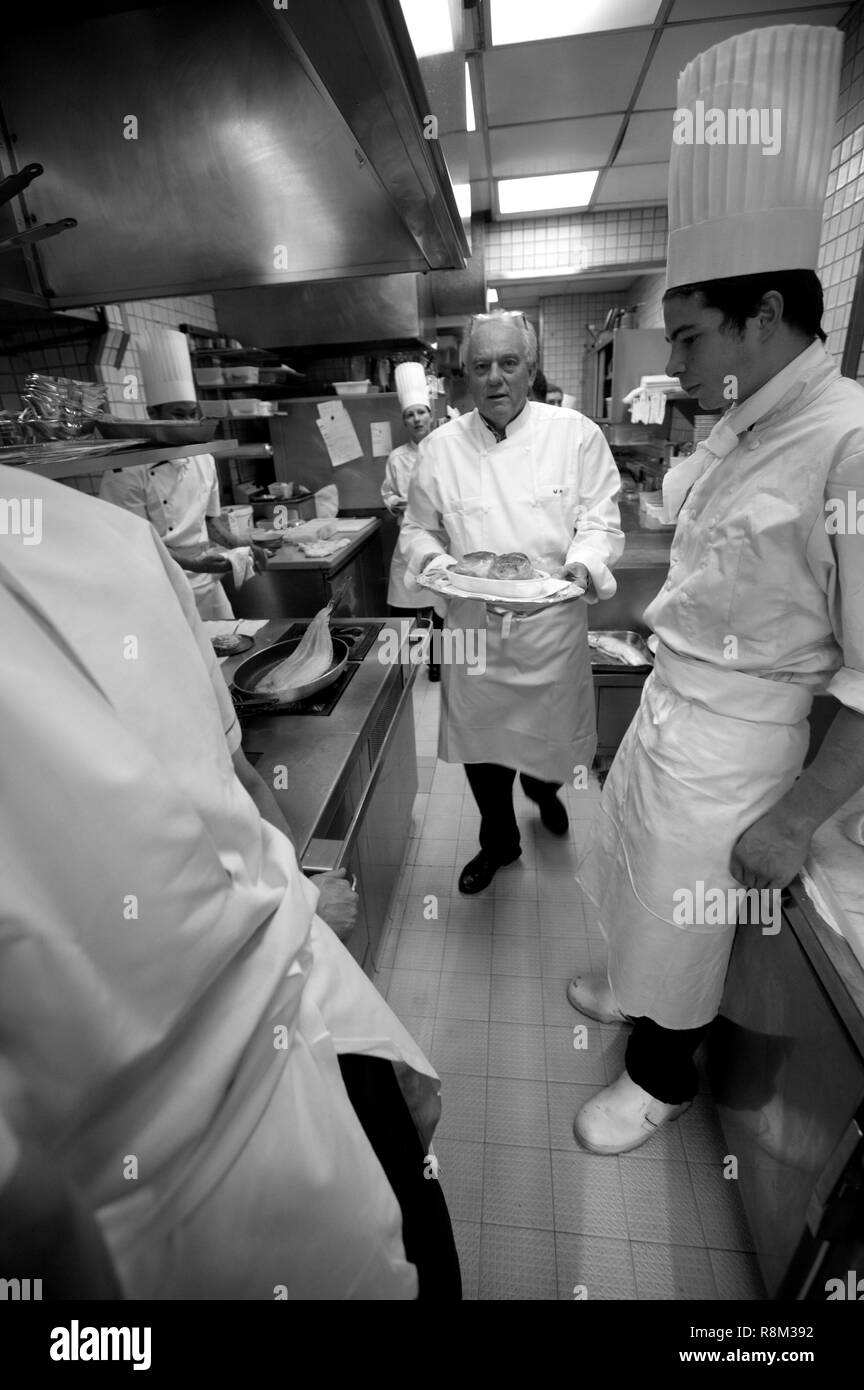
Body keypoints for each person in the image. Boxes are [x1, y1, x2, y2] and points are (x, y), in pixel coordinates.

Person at [0, 460, 461, 1299]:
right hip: (309, 1073)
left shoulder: (102, 533)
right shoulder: (95, 530)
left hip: (170, 1229)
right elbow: (238, 773)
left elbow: (30, 1221)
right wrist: (307, 895)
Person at [570, 24, 864, 1156]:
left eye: (690, 339)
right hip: (673, 708)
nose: (675, 365)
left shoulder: (845, 444)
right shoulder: (747, 429)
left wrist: (796, 815)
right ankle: (633, 994)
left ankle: (662, 1075)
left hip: (744, 738)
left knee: (689, 916)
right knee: (636, 870)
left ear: (764, 318)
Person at [400, 311, 623, 895]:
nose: (495, 378)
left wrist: (582, 564)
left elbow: (600, 521)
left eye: (509, 364)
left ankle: (545, 789)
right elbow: (417, 530)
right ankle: (498, 840)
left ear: (531, 370)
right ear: (464, 377)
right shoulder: (440, 449)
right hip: (474, 628)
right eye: (481, 366)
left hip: (551, 624)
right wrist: (439, 566)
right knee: (482, 745)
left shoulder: (575, 435)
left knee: (549, 739)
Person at [99, 328, 268, 620]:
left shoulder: (203, 456)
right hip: (160, 589)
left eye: (192, 413)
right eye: (178, 414)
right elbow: (135, 545)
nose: (188, 423)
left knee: (228, 647)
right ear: (153, 412)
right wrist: (198, 564)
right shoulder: (125, 470)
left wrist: (241, 544)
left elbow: (211, 521)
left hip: (208, 586)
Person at [381, 362, 443, 682]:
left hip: (440, 541)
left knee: (439, 608)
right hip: (407, 541)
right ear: (404, 420)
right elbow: (388, 494)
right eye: (410, 414)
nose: (416, 419)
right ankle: (402, 666)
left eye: (421, 412)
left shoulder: (445, 450)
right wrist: (394, 504)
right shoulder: (396, 458)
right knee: (403, 606)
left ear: (430, 414)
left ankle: (437, 663)